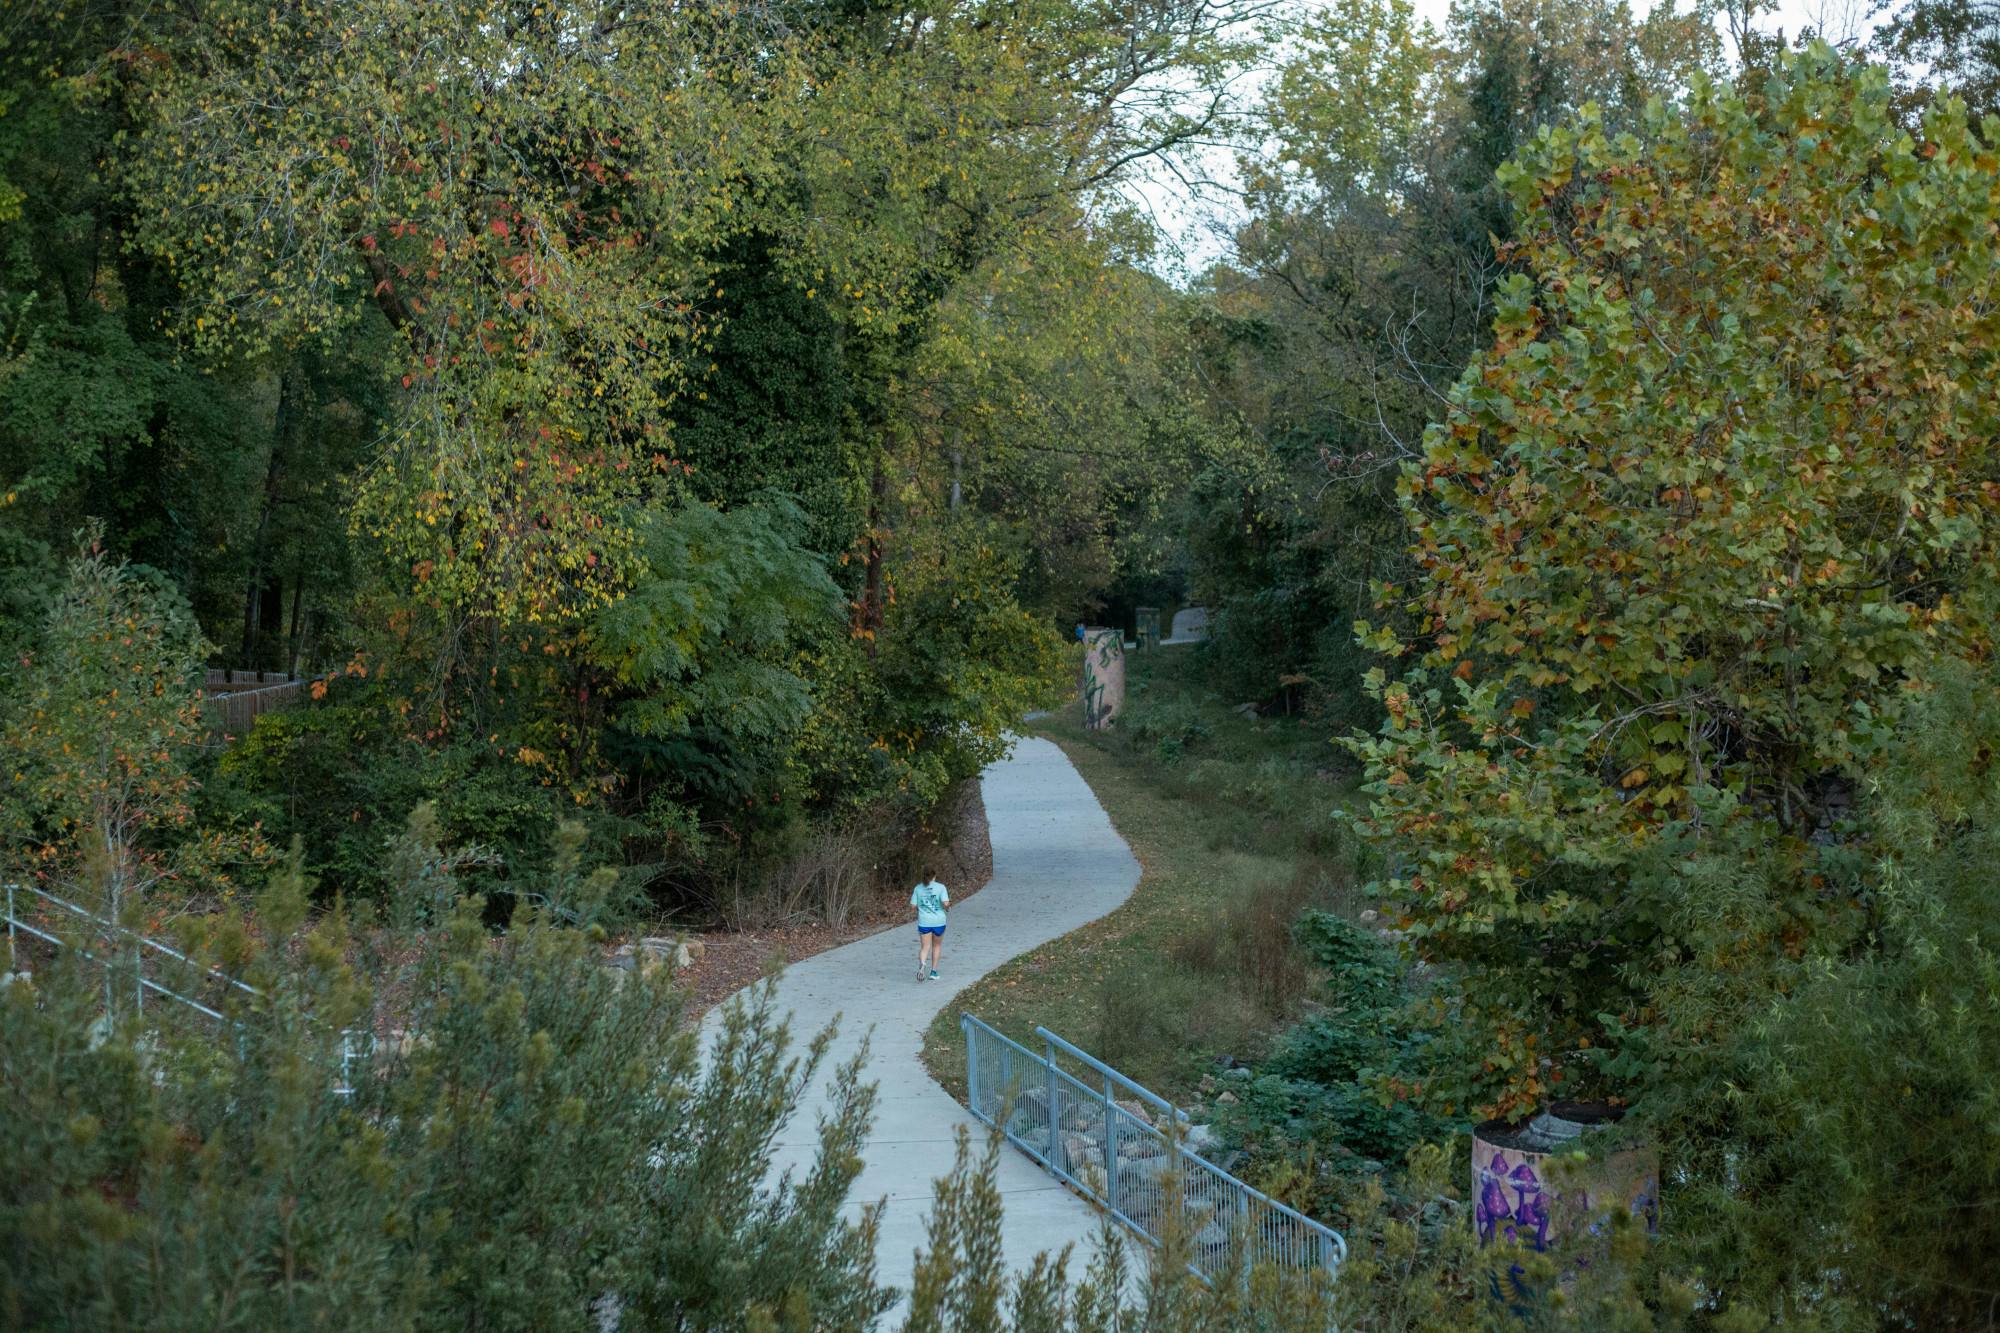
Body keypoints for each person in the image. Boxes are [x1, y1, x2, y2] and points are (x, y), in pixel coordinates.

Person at [911, 868, 950, 981]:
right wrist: (947, 907)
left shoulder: (918, 888)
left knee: (925, 947)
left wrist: (921, 907)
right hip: (939, 921)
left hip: (924, 921)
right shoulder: (941, 887)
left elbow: (913, 906)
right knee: (936, 946)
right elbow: (945, 903)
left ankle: (922, 964)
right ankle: (933, 972)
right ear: (934, 875)